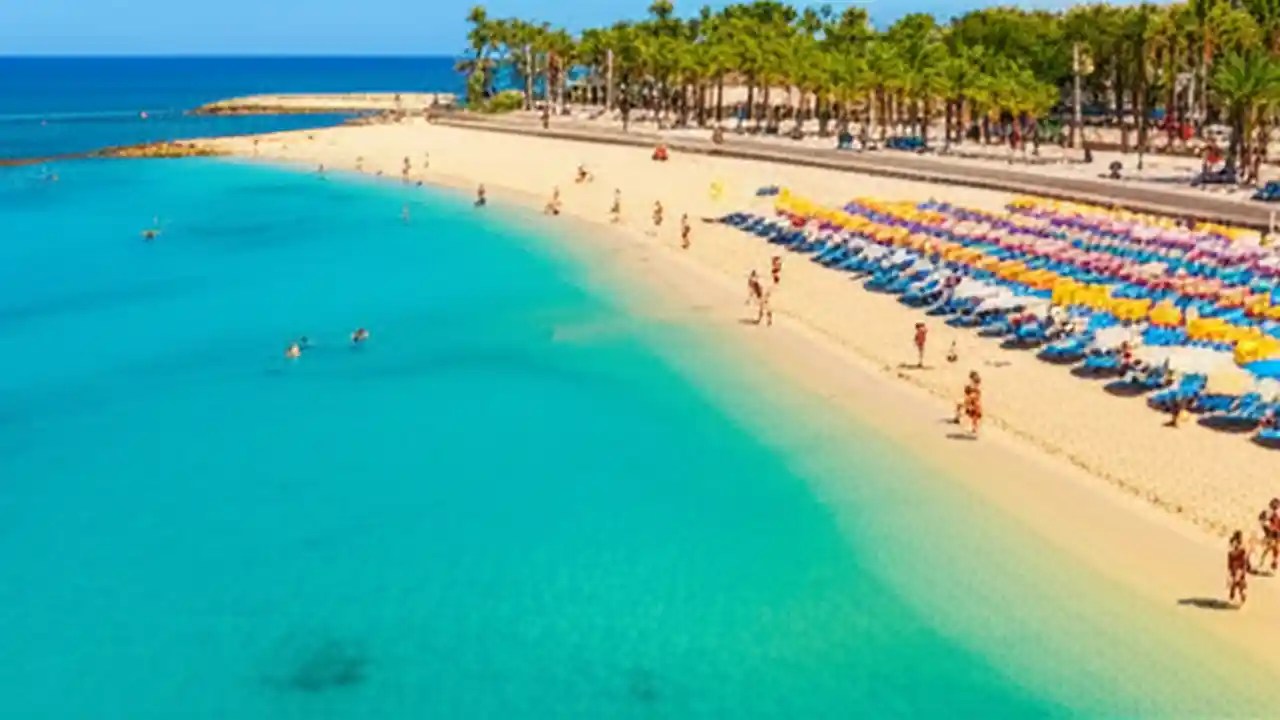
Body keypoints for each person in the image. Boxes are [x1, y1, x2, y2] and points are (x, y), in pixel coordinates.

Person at [1229, 530, 1250, 606]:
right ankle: (1237, 598)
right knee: (1237, 583)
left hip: (1237, 567)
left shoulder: (1239, 547)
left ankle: (1234, 597)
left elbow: (1232, 557)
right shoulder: (1239, 546)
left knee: (1236, 583)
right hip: (1238, 567)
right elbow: (1245, 559)